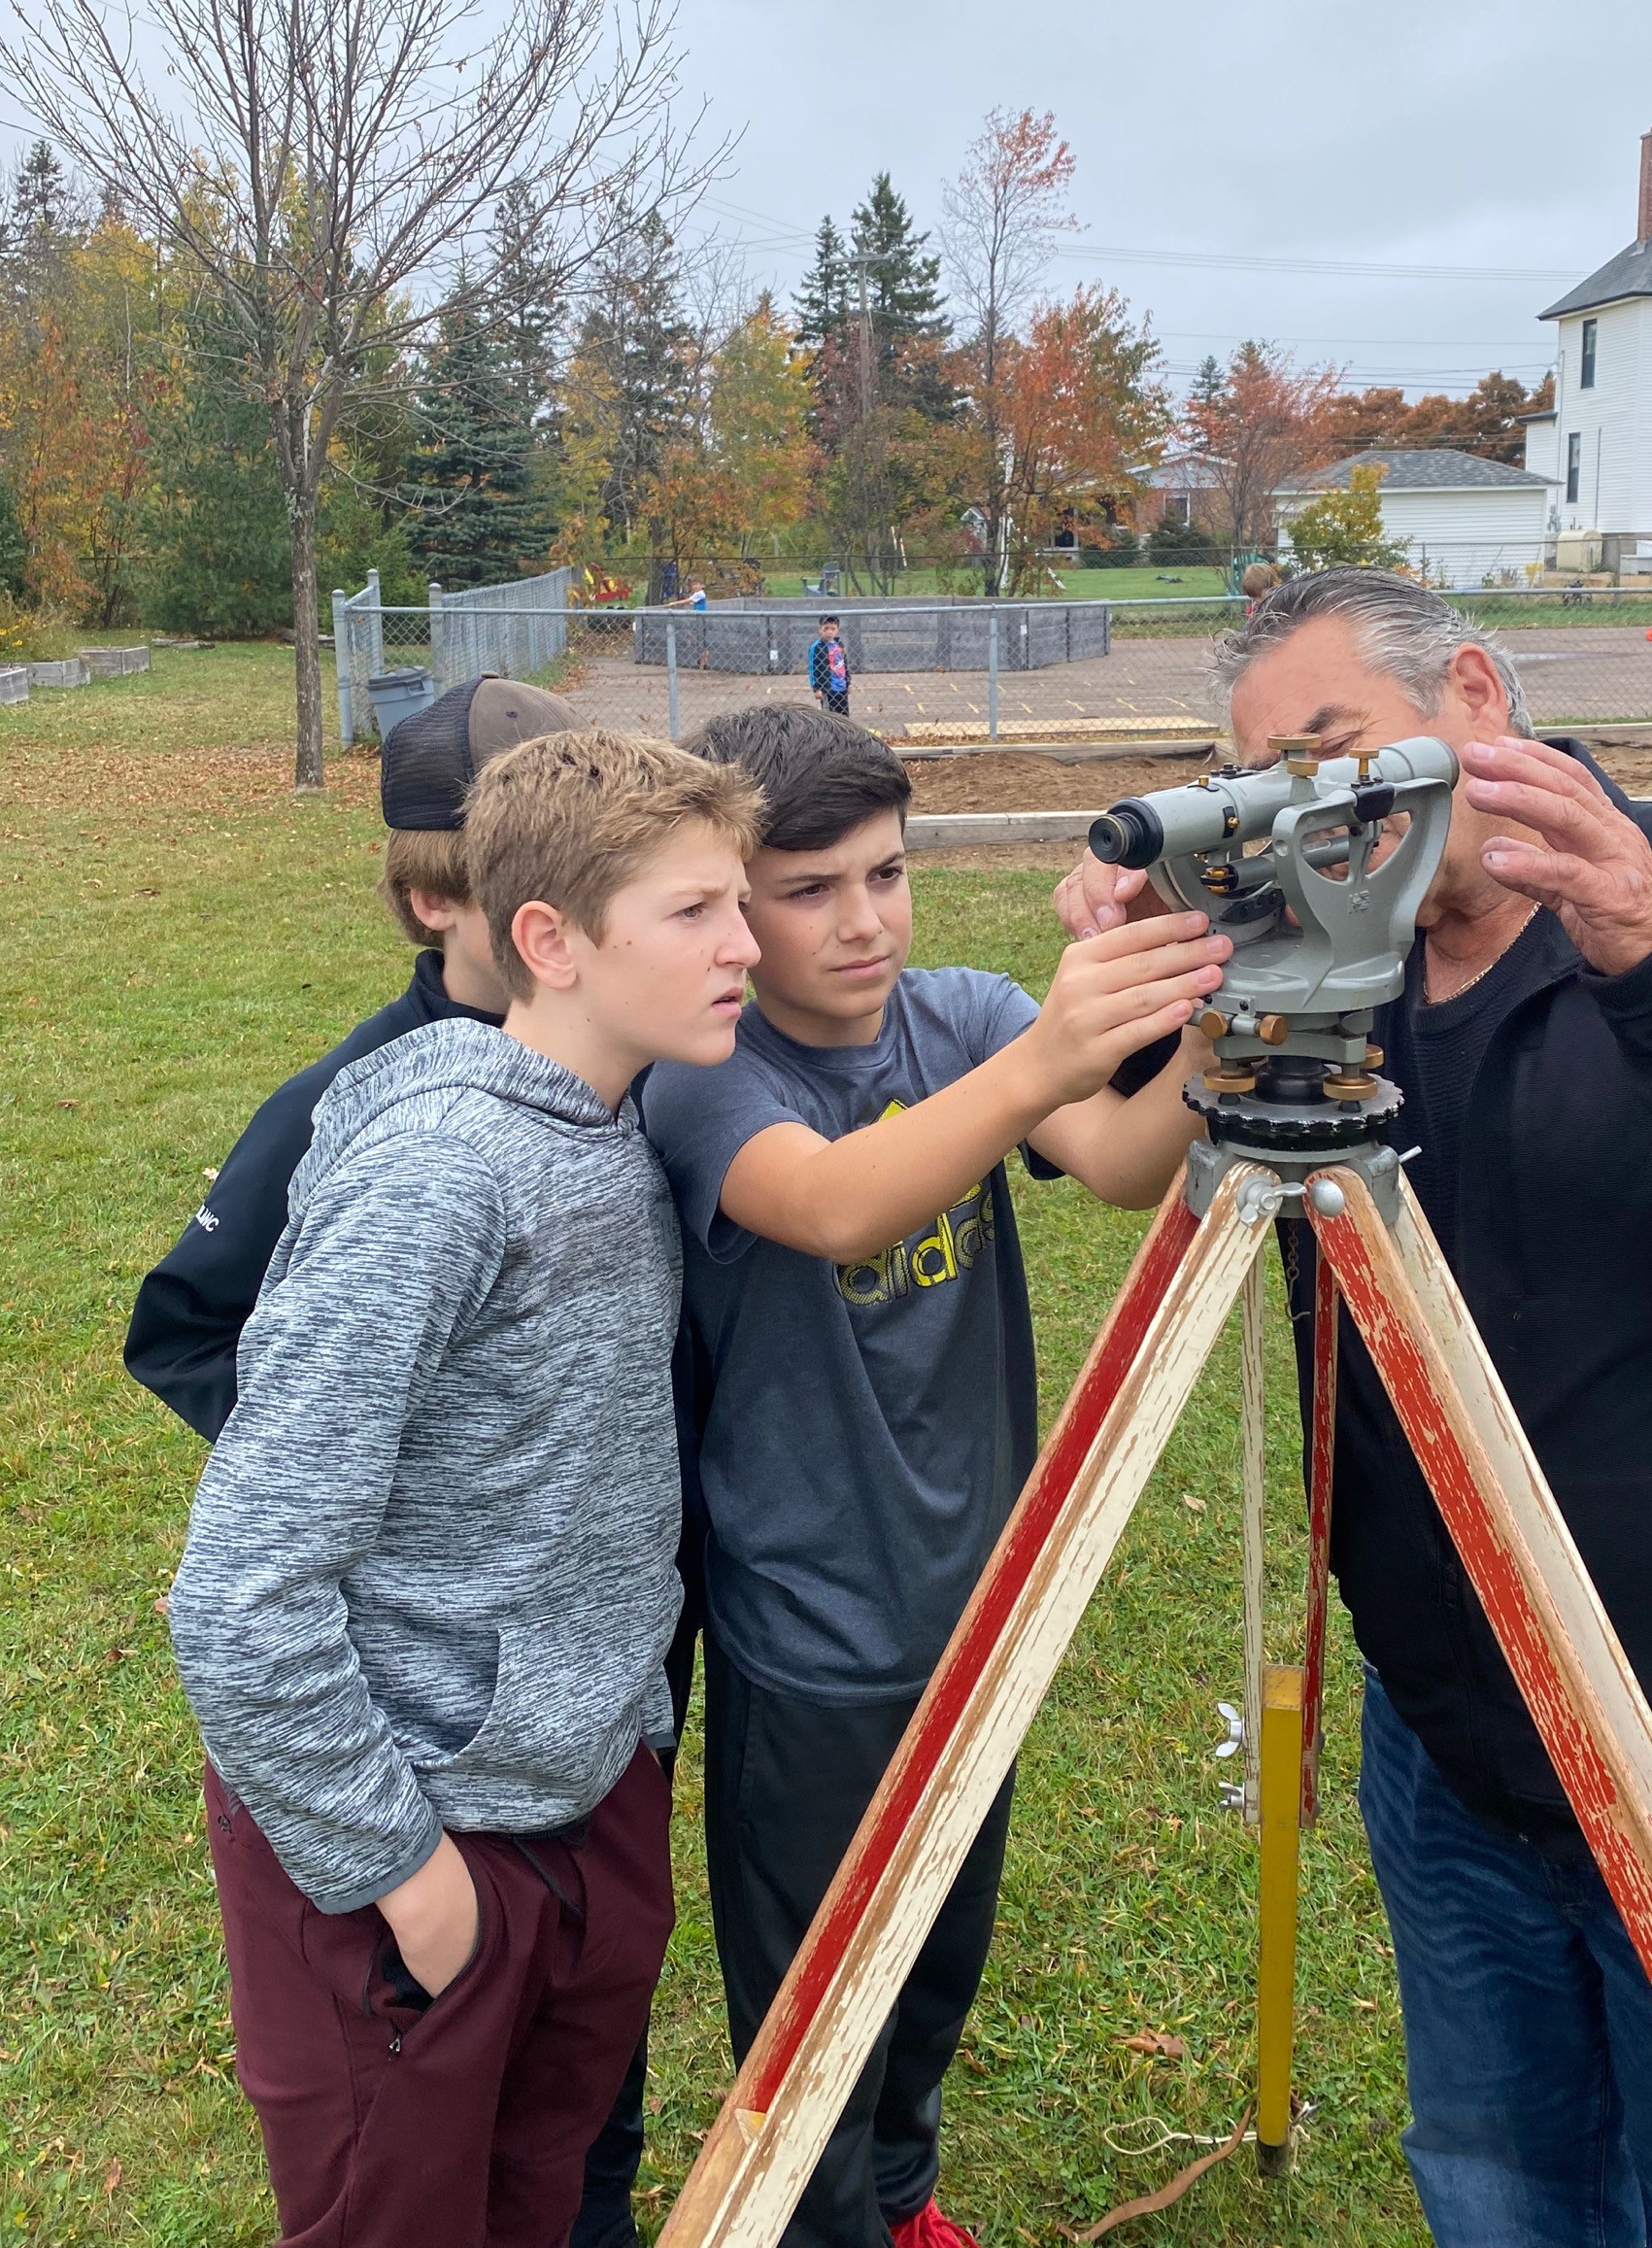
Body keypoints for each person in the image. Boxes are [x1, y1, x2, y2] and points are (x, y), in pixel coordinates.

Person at [1052, 566, 1652, 2244]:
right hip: (1457, 1759)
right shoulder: (1329, 962)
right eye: (1265, 782)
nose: (1308, 816)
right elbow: (1100, 1145)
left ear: (1471, 698)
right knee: (1501, 2193)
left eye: (1332, 753)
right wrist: (1141, 953)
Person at [167, 728, 765, 2248]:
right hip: (411, 1856)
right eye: (693, 913)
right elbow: (241, 1597)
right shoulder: (436, 1174)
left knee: (543, 2208)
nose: (744, 945)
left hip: (580, 1811)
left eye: (738, 904)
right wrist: (406, 1876)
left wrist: (621, 1750)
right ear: (549, 943)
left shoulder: (615, 1125)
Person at [642, 705, 1231, 2248]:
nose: (863, 921)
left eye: (886, 874)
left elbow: (1113, 1160)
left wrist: (1231, 1019)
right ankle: (823, 2221)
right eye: (811, 888)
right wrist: (1047, 1056)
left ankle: (900, 2197)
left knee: (937, 1948)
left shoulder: (959, 1018)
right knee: (818, 1979)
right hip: (814, 1622)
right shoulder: (706, 1076)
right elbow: (835, 1203)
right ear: (729, 902)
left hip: (979, 1604)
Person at [123, 673, 581, 1440]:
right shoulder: (340, 1103)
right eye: (536, 876)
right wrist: (396, 1470)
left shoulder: (653, 1059)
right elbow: (186, 1331)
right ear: (432, 898)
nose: (580, 905)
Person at [808, 612, 851, 718]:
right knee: (830, 717)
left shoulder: (839, 644)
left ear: (838, 629)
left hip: (842, 688)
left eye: (833, 629)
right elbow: (812, 668)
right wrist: (816, 688)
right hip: (828, 690)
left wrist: (848, 682)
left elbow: (844, 665)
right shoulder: (817, 647)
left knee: (844, 717)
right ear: (820, 629)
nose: (829, 632)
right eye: (826, 628)